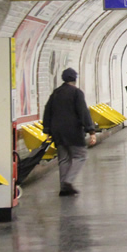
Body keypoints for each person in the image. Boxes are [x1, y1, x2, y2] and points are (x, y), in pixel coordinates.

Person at [43, 68, 97, 196]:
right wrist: (91, 131)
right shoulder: (76, 93)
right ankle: (68, 181)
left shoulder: (55, 93)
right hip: (72, 130)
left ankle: (63, 188)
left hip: (57, 131)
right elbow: (83, 112)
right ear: (74, 79)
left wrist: (47, 130)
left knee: (63, 159)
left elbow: (47, 111)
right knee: (80, 155)